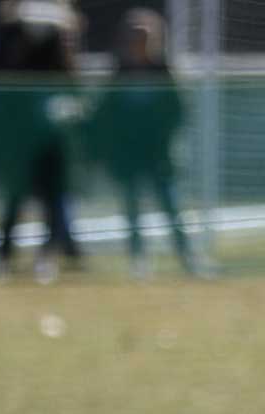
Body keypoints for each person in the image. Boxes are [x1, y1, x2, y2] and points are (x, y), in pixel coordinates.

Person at [0, 0, 87, 279]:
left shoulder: (59, 45)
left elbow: (73, 83)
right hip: (19, 138)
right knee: (14, 197)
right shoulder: (9, 41)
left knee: (52, 199)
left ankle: (48, 257)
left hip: (51, 140)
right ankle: (3, 256)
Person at [86, 9, 198, 278]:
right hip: (128, 153)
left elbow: (178, 110)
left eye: (144, 37)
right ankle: (138, 259)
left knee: (171, 206)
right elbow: (106, 113)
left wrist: (161, 135)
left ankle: (187, 257)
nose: (139, 43)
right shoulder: (119, 72)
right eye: (134, 36)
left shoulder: (163, 71)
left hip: (158, 152)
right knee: (132, 208)